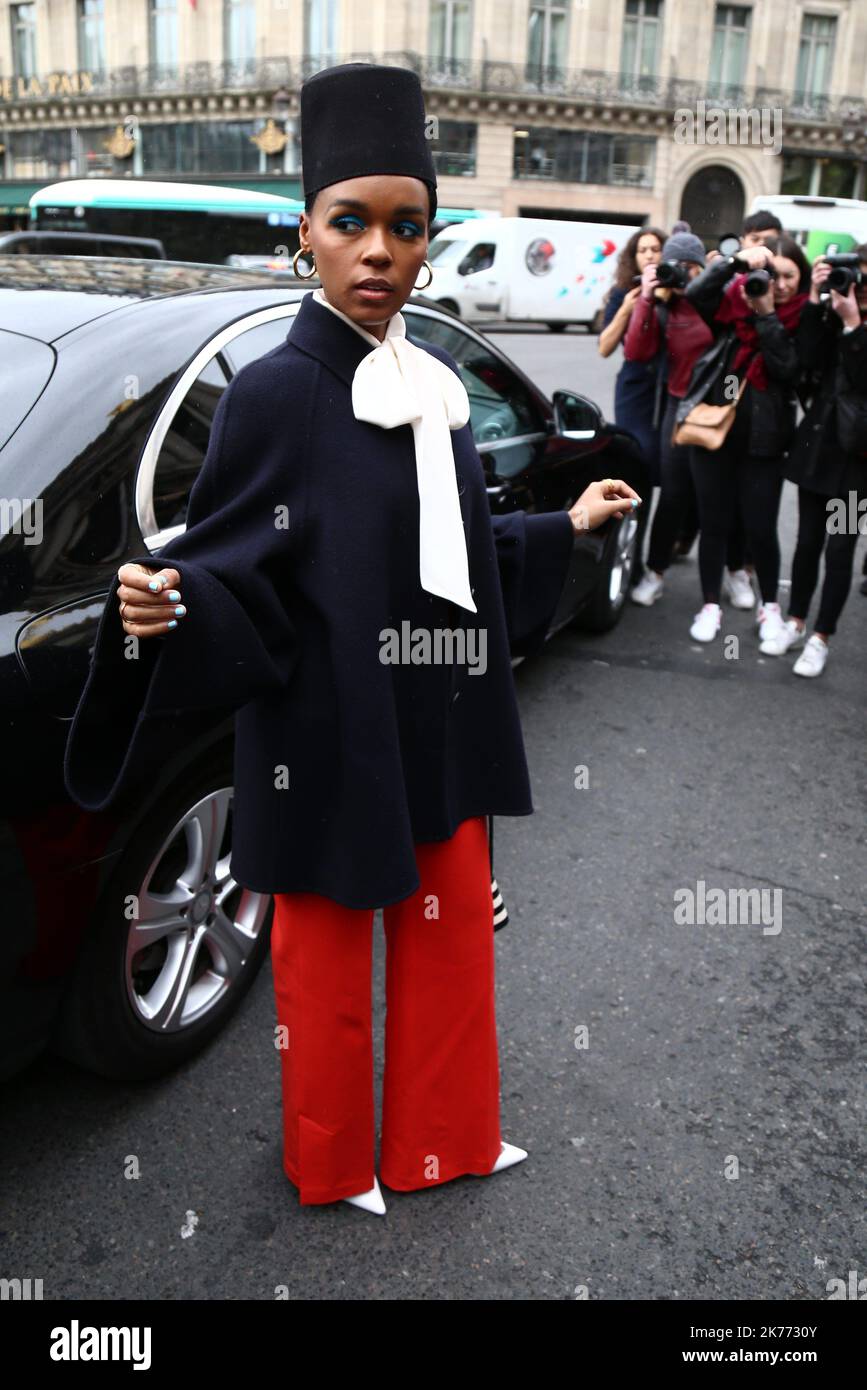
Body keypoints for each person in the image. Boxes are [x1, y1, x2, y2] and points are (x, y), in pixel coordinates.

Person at [62, 63, 640, 1214]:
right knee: (321, 971)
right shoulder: (277, 393)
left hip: (440, 713)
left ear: (429, 242)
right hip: (326, 729)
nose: (379, 250)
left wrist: (559, 525)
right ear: (307, 238)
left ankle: (443, 1141)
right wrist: (169, 601)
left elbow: (456, 546)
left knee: (451, 950)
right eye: (352, 224)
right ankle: (331, 1165)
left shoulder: (429, 384)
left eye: (406, 226)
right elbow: (230, 560)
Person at [677, 235, 810, 643]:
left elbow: (787, 369)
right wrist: (734, 262)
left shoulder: (805, 320)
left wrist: (768, 313)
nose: (780, 284)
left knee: (760, 529)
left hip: (764, 445)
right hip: (713, 436)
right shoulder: (732, 308)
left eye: (789, 276)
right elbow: (695, 292)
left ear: (801, 281)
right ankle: (710, 605)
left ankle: (770, 607)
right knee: (713, 524)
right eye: (773, 274)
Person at [761, 244, 867, 675]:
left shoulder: (852, 319)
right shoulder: (833, 311)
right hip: (818, 455)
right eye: (854, 276)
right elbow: (804, 362)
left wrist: (854, 325)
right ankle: (796, 621)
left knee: (840, 551)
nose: (856, 287)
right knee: (807, 545)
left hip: (858, 463)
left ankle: (822, 637)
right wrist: (814, 301)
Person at [624, 226, 713, 606]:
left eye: (689, 267)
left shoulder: (715, 301)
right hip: (679, 406)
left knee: (716, 498)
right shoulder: (663, 306)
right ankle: (656, 572)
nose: (681, 274)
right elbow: (635, 352)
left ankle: (733, 574)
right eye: (674, 265)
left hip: (716, 407)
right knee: (673, 493)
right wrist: (647, 297)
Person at [598, 225, 666, 583]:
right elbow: (605, 347)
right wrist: (627, 307)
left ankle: (655, 558)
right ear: (633, 257)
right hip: (635, 389)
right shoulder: (621, 293)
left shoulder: (674, 289)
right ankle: (630, 559)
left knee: (663, 472)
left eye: (656, 249)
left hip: (668, 388)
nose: (651, 255)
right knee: (637, 469)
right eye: (643, 250)